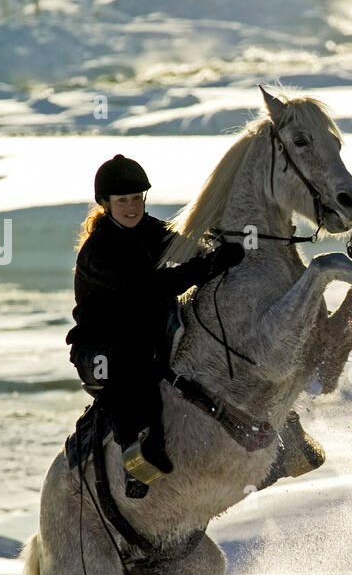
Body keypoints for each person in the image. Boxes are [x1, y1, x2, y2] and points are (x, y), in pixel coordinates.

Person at [66, 154, 243, 495]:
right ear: (105, 204)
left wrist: (221, 247)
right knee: (132, 374)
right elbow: (151, 288)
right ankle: (135, 462)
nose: (132, 207)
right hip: (100, 351)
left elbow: (188, 244)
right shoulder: (98, 251)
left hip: (147, 336)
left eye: (137, 198)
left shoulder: (150, 230)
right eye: (122, 201)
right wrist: (209, 267)